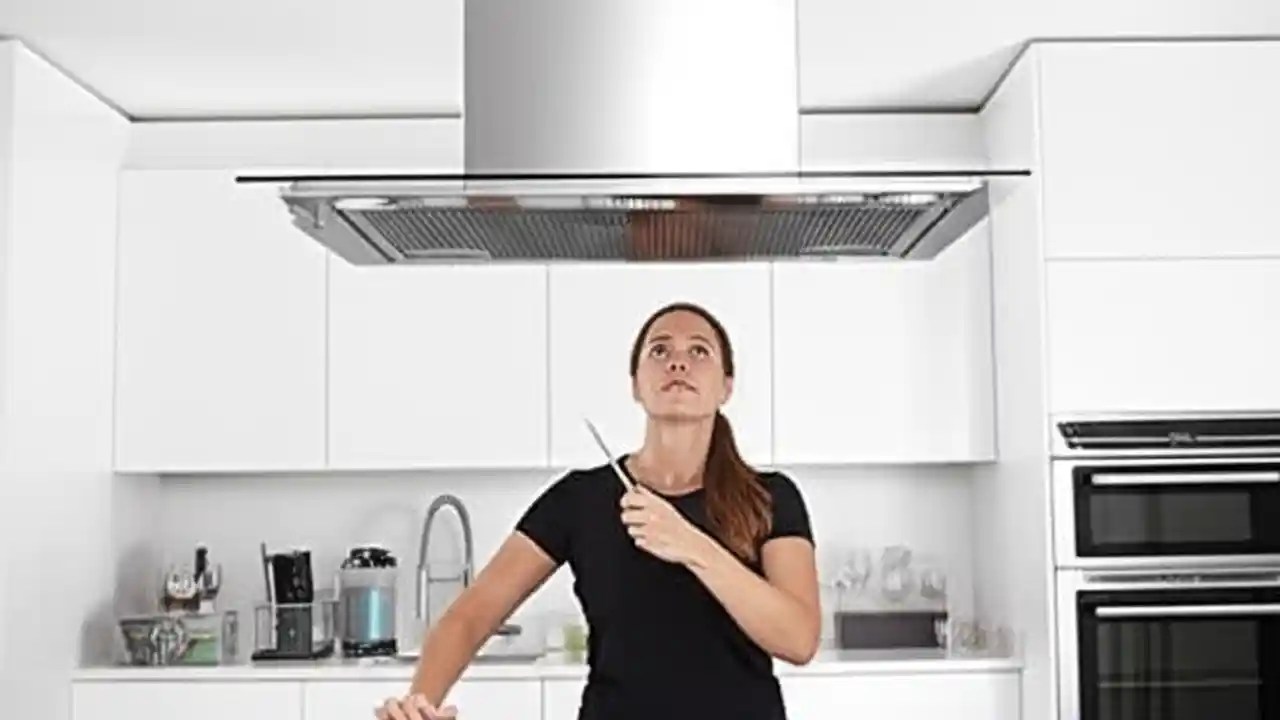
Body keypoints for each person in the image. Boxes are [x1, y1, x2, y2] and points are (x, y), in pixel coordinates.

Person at [375, 301, 820, 720]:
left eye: (699, 351)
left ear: (726, 386)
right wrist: (419, 704)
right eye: (659, 350)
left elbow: (799, 639)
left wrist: (691, 545)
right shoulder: (580, 498)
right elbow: (473, 615)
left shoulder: (772, 498)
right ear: (635, 384)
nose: (678, 362)